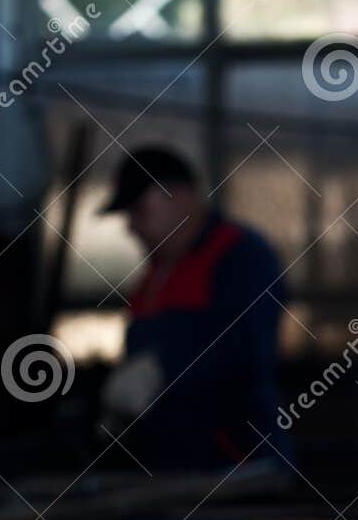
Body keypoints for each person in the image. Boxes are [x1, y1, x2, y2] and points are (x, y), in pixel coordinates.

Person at [98, 147, 289, 470]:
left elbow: (245, 355)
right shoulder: (151, 280)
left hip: (239, 470)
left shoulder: (241, 256)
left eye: (139, 211)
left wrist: (164, 371)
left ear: (179, 197)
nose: (131, 227)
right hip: (169, 474)